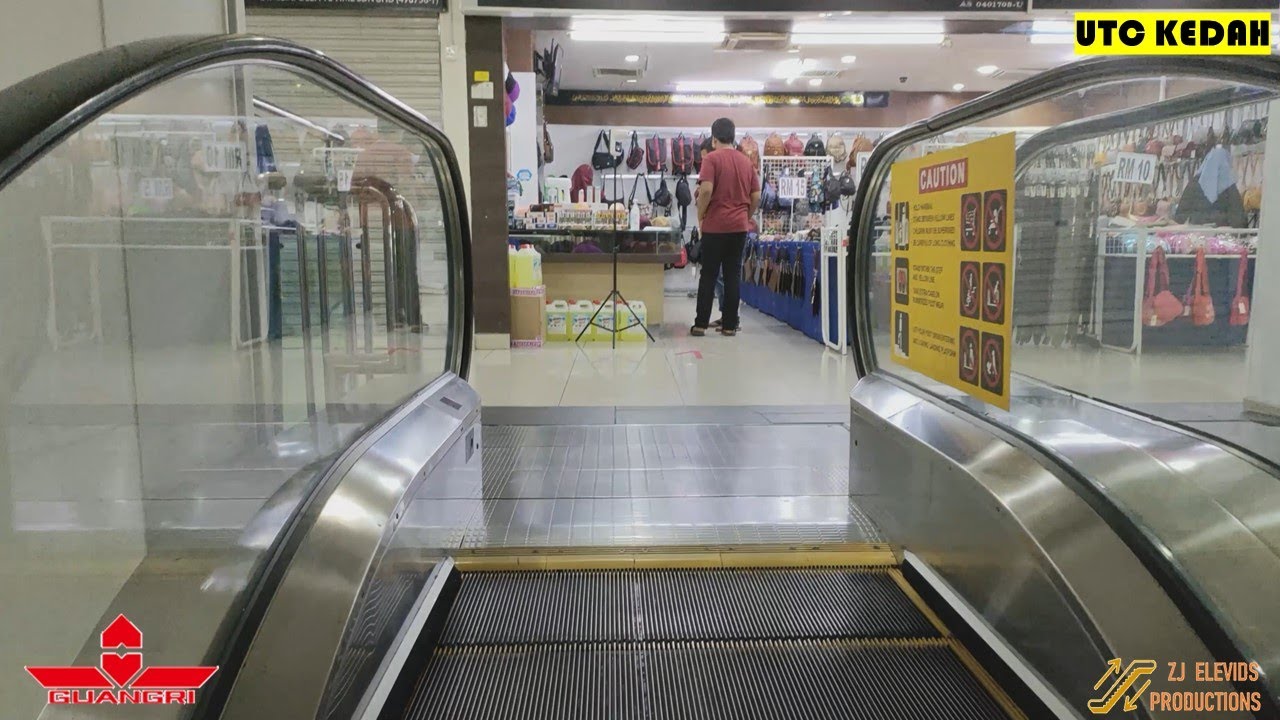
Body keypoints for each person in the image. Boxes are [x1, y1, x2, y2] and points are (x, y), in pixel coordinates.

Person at [692, 117, 760, 337]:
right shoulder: (746, 162)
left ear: (713, 139)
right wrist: (745, 215)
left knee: (709, 275)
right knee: (732, 275)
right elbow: (756, 195)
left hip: (715, 226)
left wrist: (701, 214)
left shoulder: (711, 159)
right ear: (733, 136)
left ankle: (701, 324)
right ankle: (730, 325)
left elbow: (706, 191)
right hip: (739, 227)